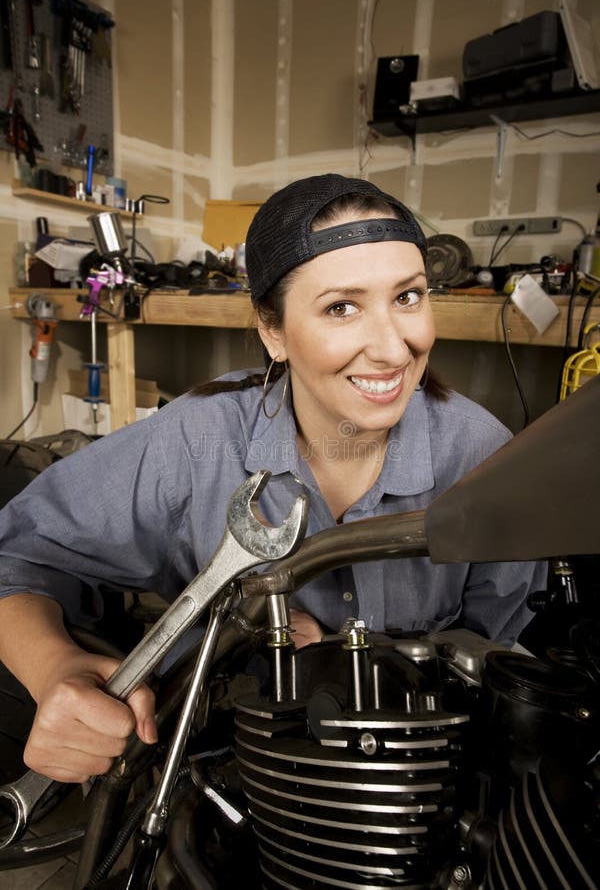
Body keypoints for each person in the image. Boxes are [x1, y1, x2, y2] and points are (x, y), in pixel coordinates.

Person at [0, 173, 546, 784]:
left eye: (409, 297)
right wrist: (56, 670)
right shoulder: (197, 443)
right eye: (342, 307)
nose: (394, 349)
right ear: (272, 330)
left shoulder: (482, 457)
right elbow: (16, 552)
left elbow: (506, 661)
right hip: (226, 773)